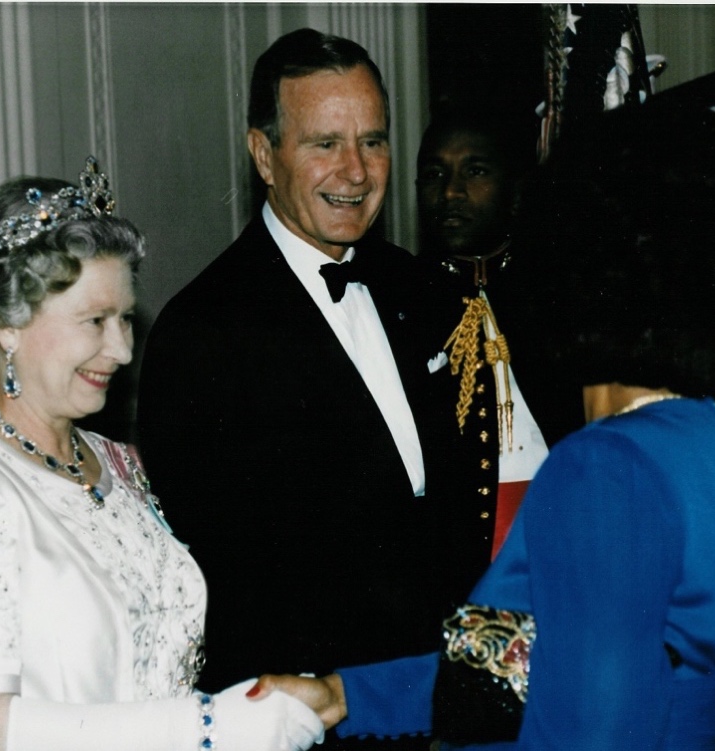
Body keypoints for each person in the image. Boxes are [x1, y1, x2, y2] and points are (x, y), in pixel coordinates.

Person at [250, 98, 715, 750]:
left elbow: (587, 732)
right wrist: (342, 695)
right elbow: (539, 659)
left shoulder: (604, 468)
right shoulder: (713, 438)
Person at [0, 157, 325, 751]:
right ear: (6, 324)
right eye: (94, 320)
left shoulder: (117, 462)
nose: (121, 350)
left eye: (123, 319)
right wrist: (207, 727)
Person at [136, 30, 477, 751]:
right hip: (313, 724)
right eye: (325, 143)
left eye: (374, 141)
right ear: (264, 155)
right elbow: (213, 587)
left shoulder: (428, 292)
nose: (355, 170)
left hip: (448, 704)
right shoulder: (200, 334)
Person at [414, 106, 560, 561]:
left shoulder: (556, 297)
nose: (451, 192)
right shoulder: (401, 304)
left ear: (515, 191)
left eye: (474, 171)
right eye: (434, 174)